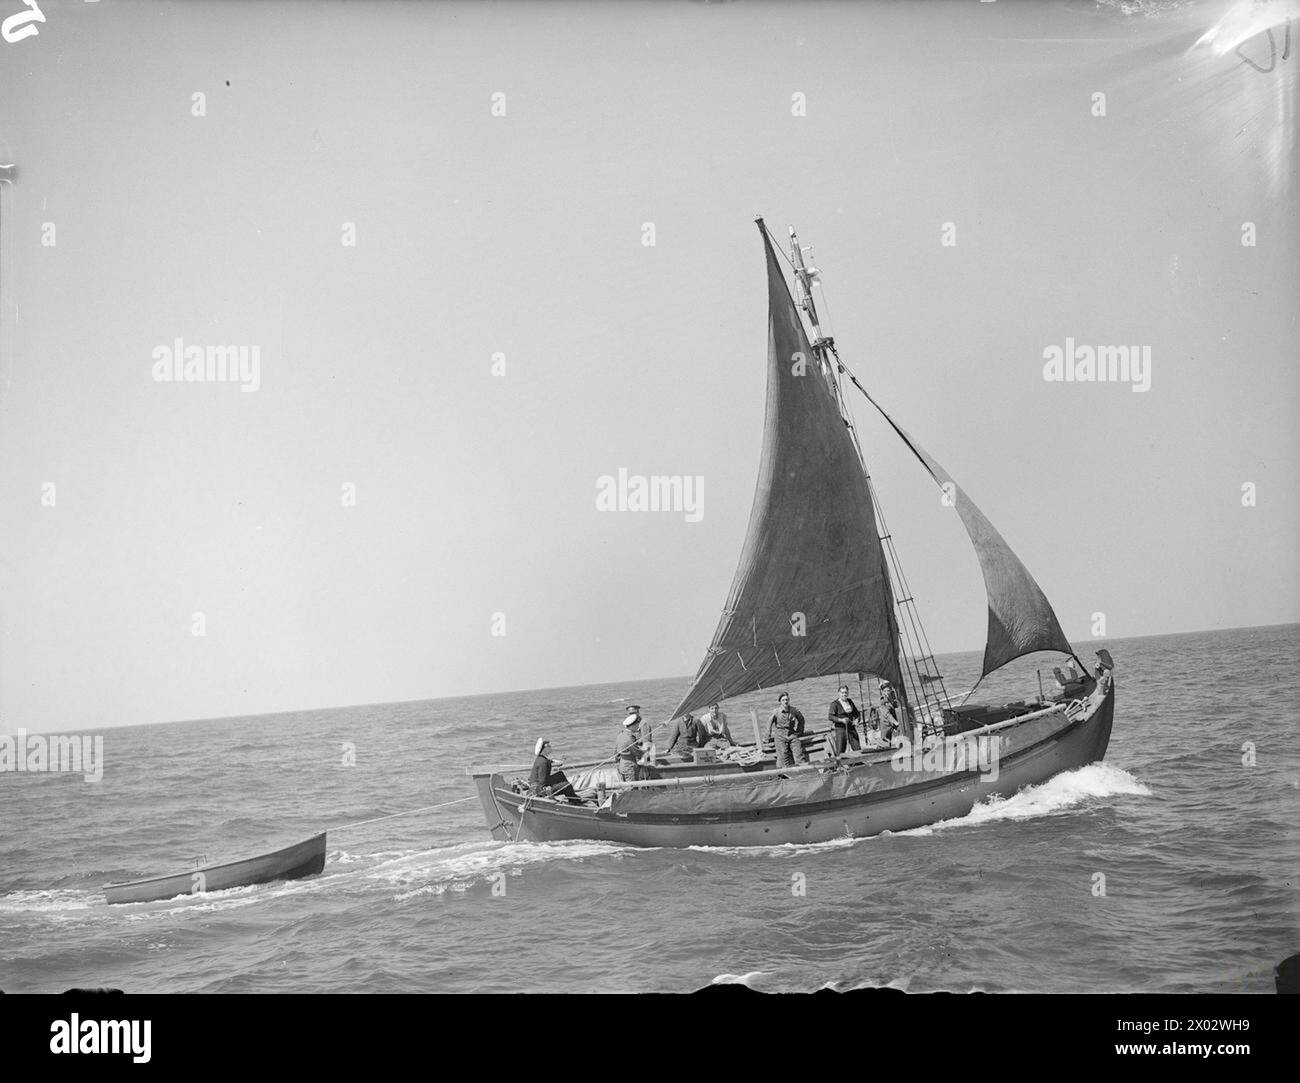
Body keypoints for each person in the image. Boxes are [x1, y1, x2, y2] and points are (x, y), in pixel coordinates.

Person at [767, 692, 807, 768]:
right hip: (780, 736)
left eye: (787, 699)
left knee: (799, 754)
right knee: (782, 757)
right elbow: (769, 723)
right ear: (780, 701)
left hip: (792, 734)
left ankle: (803, 770)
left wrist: (800, 731)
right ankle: (784, 774)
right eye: (783, 700)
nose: (785, 701)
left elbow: (801, 719)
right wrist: (767, 736)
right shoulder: (776, 712)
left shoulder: (794, 710)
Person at [827, 684, 862, 756]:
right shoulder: (835, 704)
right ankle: (840, 765)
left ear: (848, 693)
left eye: (846, 692)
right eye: (842, 692)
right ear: (839, 693)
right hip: (840, 729)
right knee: (840, 750)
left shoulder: (850, 701)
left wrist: (857, 720)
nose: (844, 694)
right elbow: (830, 716)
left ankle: (860, 762)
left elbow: (857, 714)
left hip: (851, 728)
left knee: (857, 747)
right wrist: (841, 720)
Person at [615, 712, 644, 782]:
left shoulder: (620, 735)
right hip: (629, 767)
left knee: (625, 787)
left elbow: (616, 752)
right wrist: (645, 753)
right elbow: (636, 752)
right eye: (637, 725)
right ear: (632, 726)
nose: (638, 727)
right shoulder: (629, 738)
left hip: (622, 765)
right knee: (632, 789)